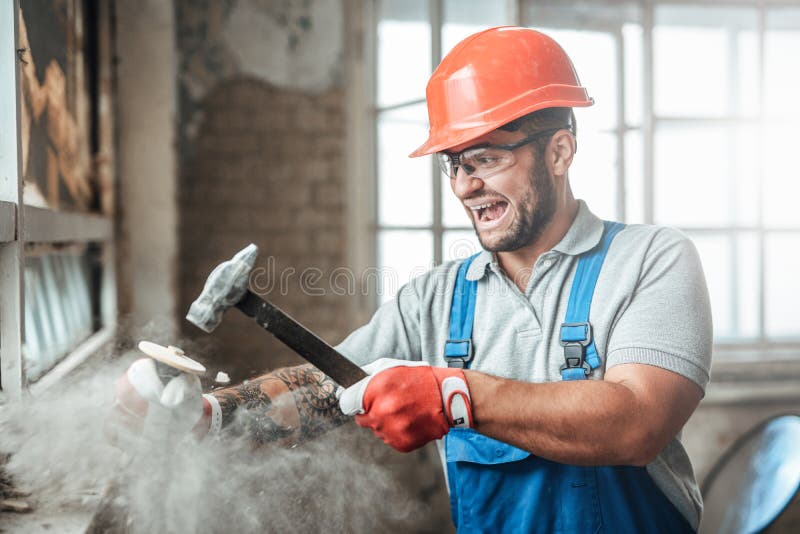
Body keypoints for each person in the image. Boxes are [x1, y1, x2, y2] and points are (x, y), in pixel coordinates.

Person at [111, 27, 712, 533]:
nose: (466, 186)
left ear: (559, 152)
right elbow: (326, 388)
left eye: (488, 159)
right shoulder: (438, 299)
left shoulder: (651, 260)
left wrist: (453, 395)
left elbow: (637, 422)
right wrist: (214, 415)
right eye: (455, 165)